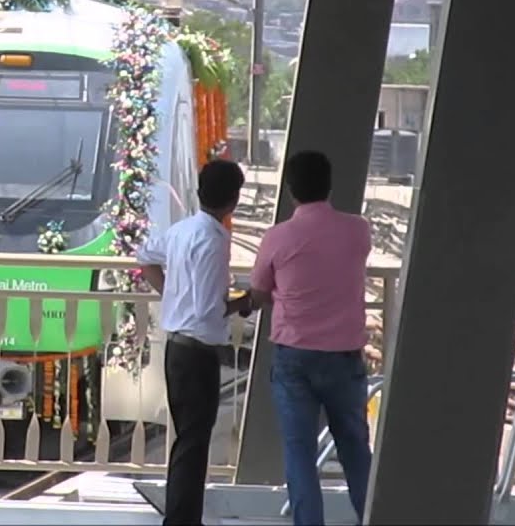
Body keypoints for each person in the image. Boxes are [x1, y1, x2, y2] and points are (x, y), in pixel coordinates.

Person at [231, 150, 373, 526]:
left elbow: (260, 292)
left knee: (299, 453)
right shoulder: (359, 230)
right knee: (355, 450)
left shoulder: (277, 237)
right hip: (345, 357)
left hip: (295, 357)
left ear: (291, 190)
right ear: (329, 185)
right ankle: (373, 517)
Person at [136, 159, 246, 526]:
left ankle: (182, 517)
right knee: (194, 443)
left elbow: (144, 257)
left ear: (199, 193)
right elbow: (209, 309)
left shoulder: (182, 230)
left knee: (187, 440)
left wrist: (171, 295)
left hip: (176, 348)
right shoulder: (214, 240)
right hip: (199, 354)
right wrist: (247, 302)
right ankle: (182, 520)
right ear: (233, 200)